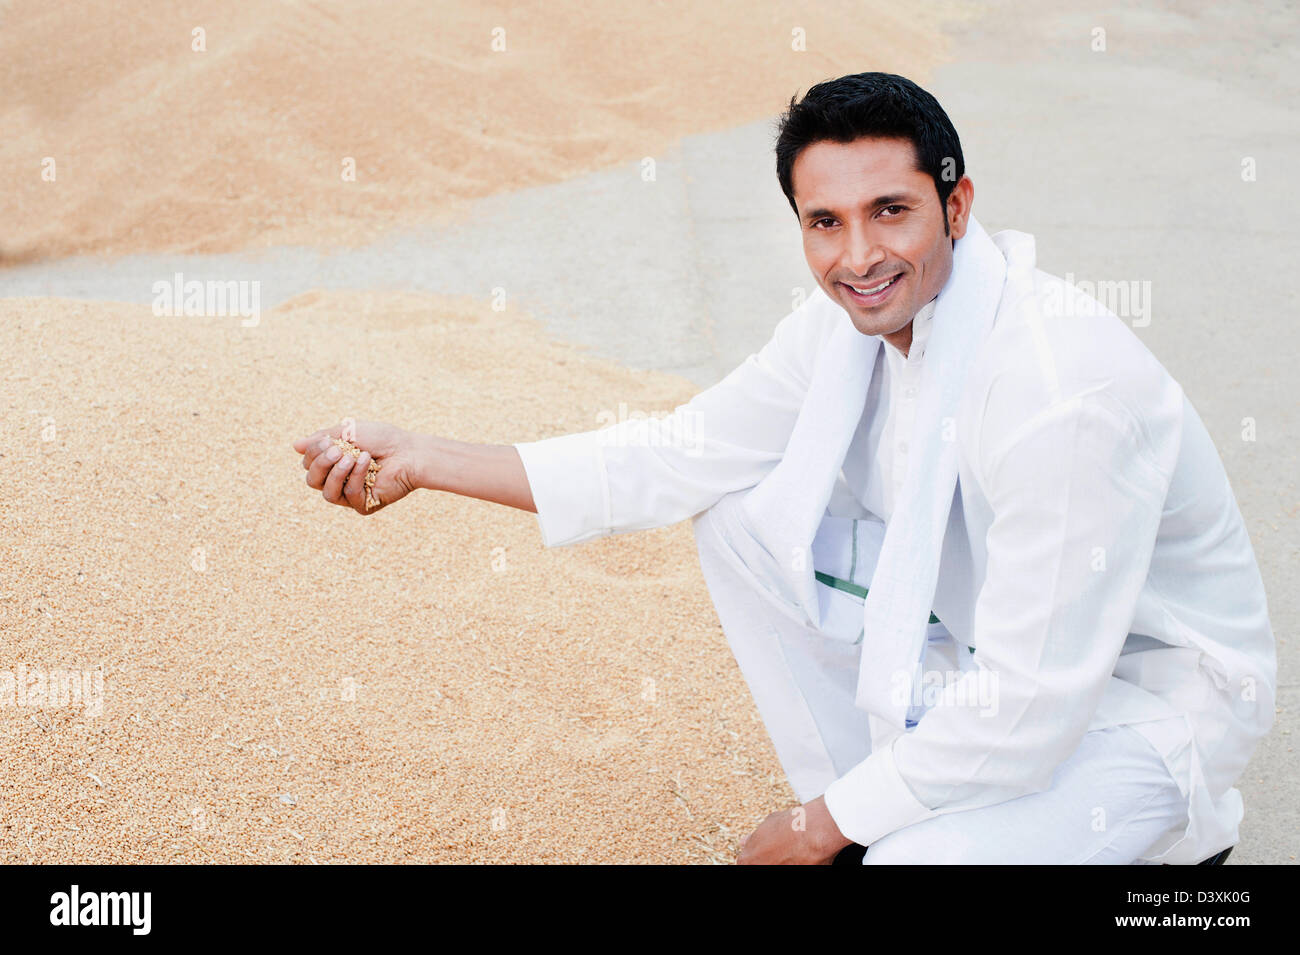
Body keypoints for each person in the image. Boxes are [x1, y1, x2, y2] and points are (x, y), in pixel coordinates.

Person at [291, 73, 1275, 865]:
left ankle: (918, 831)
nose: (859, 255)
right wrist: (425, 457)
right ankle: (873, 809)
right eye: (825, 222)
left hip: (1144, 708)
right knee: (737, 515)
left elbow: (1028, 707)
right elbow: (679, 454)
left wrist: (812, 829)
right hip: (1007, 659)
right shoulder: (843, 324)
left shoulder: (1060, 394)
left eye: (890, 210)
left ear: (956, 202)